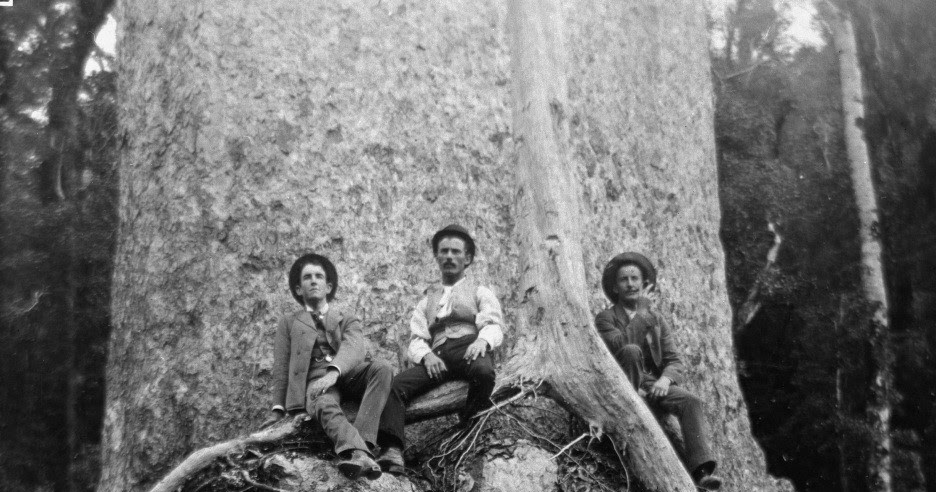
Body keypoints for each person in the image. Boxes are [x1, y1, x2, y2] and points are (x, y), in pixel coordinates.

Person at [375, 224, 506, 475]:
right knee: (396, 385)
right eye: (443, 251)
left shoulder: (480, 291)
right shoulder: (426, 300)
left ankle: (469, 423)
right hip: (437, 357)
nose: (449, 256)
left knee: (485, 372)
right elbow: (416, 337)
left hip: (468, 348)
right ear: (436, 257)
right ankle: (391, 450)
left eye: (455, 252)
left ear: (467, 259)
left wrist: (482, 342)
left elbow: (493, 324)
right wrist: (427, 355)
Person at [594, 252, 724, 491]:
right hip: (623, 387)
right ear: (615, 287)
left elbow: (674, 360)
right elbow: (621, 346)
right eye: (624, 279)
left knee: (690, 401)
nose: (631, 284)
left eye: (636, 278)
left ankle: (702, 471)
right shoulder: (605, 318)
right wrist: (642, 315)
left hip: (652, 387)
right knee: (632, 350)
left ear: (644, 285)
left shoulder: (657, 320)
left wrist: (665, 380)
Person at [266, 253, 393, 480]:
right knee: (323, 401)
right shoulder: (288, 322)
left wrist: (334, 371)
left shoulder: (346, 318)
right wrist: (277, 409)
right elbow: (282, 367)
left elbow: (354, 347)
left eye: (318, 276)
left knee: (382, 368)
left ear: (329, 286)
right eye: (307, 277)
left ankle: (362, 445)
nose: (313, 281)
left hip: (345, 374)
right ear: (298, 289)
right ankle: (359, 453)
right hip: (315, 382)